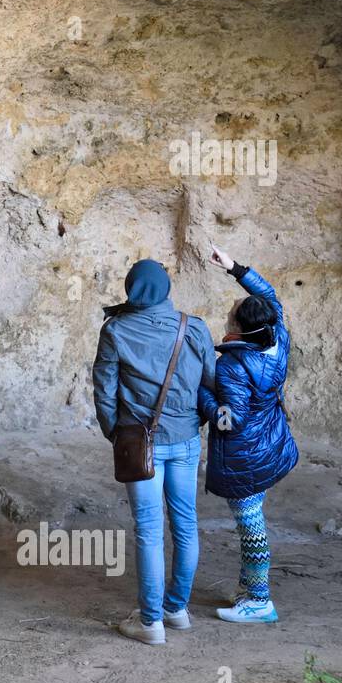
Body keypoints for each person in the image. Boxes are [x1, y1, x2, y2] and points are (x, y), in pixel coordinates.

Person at [93, 260, 217, 645]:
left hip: (140, 442)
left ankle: (150, 623)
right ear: (165, 288)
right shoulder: (192, 327)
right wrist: (194, 420)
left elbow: (103, 390)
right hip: (185, 440)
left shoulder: (115, 331)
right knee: (186, 524)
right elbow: (211, 382)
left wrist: (117, 434)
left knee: (148, 531)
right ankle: (175, 609)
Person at [197, 246, 299, 624]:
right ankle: (247, 590)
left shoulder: (233, 365)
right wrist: (235, 269)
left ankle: (259, 600)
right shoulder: (278, 338)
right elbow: (270, 297)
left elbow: (228, 420)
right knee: (253, 519)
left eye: (232, 312)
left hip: (245, 456)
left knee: (251, 525)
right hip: (270, 444)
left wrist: (200, 391)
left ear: (238, 328)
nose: (230, 311)